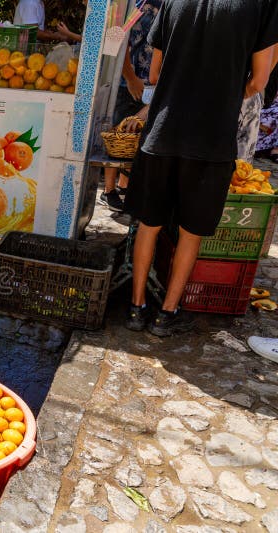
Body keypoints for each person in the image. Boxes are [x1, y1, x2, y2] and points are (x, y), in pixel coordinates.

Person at [124, 0, 278, 337]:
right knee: (190, 234)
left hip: (162, 133)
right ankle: (167, 314)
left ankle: (136, 308)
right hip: (211, 141)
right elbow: (262, 76)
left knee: (149, 225)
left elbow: (153, 74)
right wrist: (230, 94)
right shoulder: (263, 6)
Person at [101, 0, 162, 213]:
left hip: (154, 84)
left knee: (138, 140)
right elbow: (113, 39)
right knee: (118, 135)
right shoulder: (131, 4)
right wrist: (130, 76)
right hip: (127, 82)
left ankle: (124, 187)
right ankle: (108, 190)